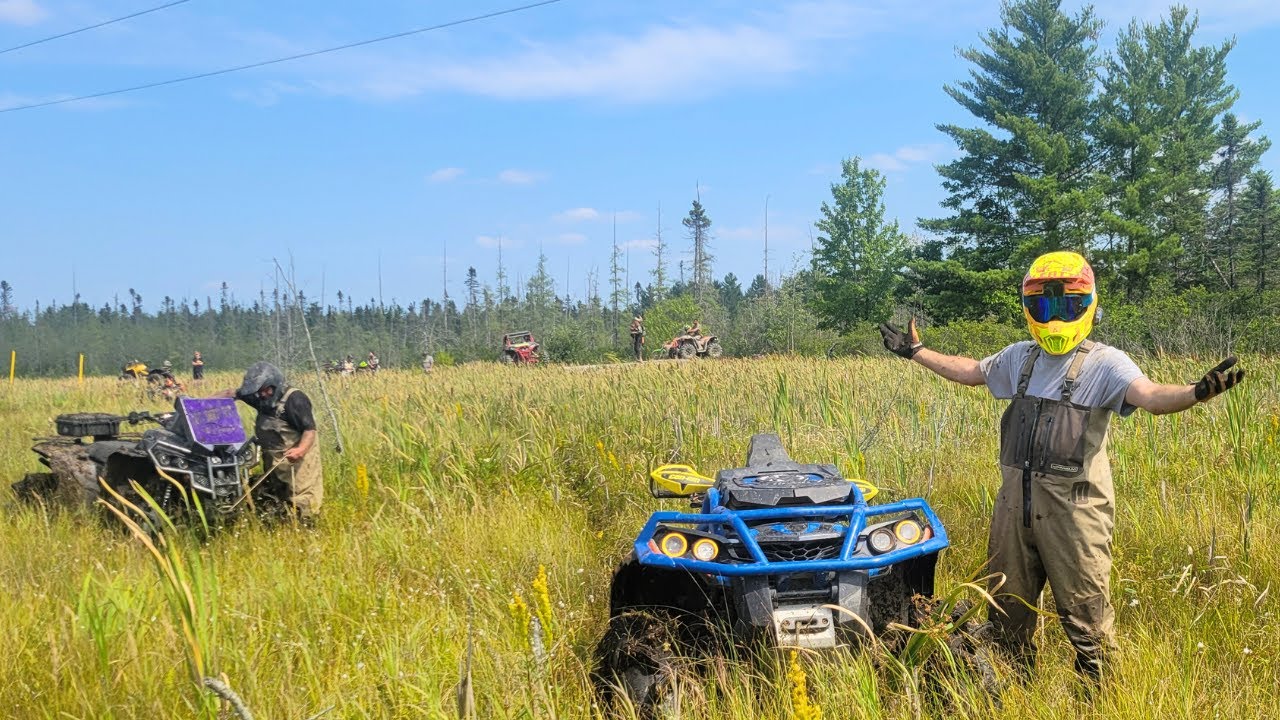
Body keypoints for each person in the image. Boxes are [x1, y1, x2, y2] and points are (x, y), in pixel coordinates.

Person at [878, 251, 1244, 684]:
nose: (1054, 316)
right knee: (1003, 615)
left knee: (1088, 622)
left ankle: (1097, 700)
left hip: (1076, 517)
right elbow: (971, 371)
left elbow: (1150, 397)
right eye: (1044, 306)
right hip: (1013, 512)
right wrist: (917, 352)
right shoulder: (1020, 358)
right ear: (1030, 309)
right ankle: (1013, 694)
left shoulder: (1106, 363)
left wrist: (1193, 393)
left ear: (1088, 306)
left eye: (1067, 305)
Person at [229, 361, 324, 520]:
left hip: (298, 461)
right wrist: (197, 405)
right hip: (275, 461)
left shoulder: (295, 399)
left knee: (302, 499)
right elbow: (231, 393)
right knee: (276, 497)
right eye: (258, 392)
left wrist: (300, 450)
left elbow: (310, 430)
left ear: (275, 384)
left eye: (265, 391)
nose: (261, 395)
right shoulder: (260, 398)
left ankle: (307, 528)